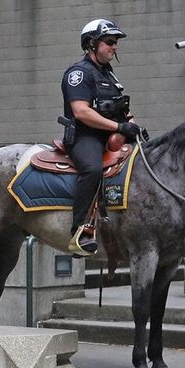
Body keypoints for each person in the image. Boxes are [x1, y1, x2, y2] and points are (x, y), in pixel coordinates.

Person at [61, 18, 140, 256]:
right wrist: (118, 126)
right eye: (109, 42)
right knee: (93, 170)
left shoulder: (109, 75)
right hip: (86, 137)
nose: (114, 46)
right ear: (92, 44)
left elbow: (122, 109)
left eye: (115, 42)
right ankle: (79, 233)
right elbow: (81, 111)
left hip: (112, 134)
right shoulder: (79, 74)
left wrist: (131, 125)